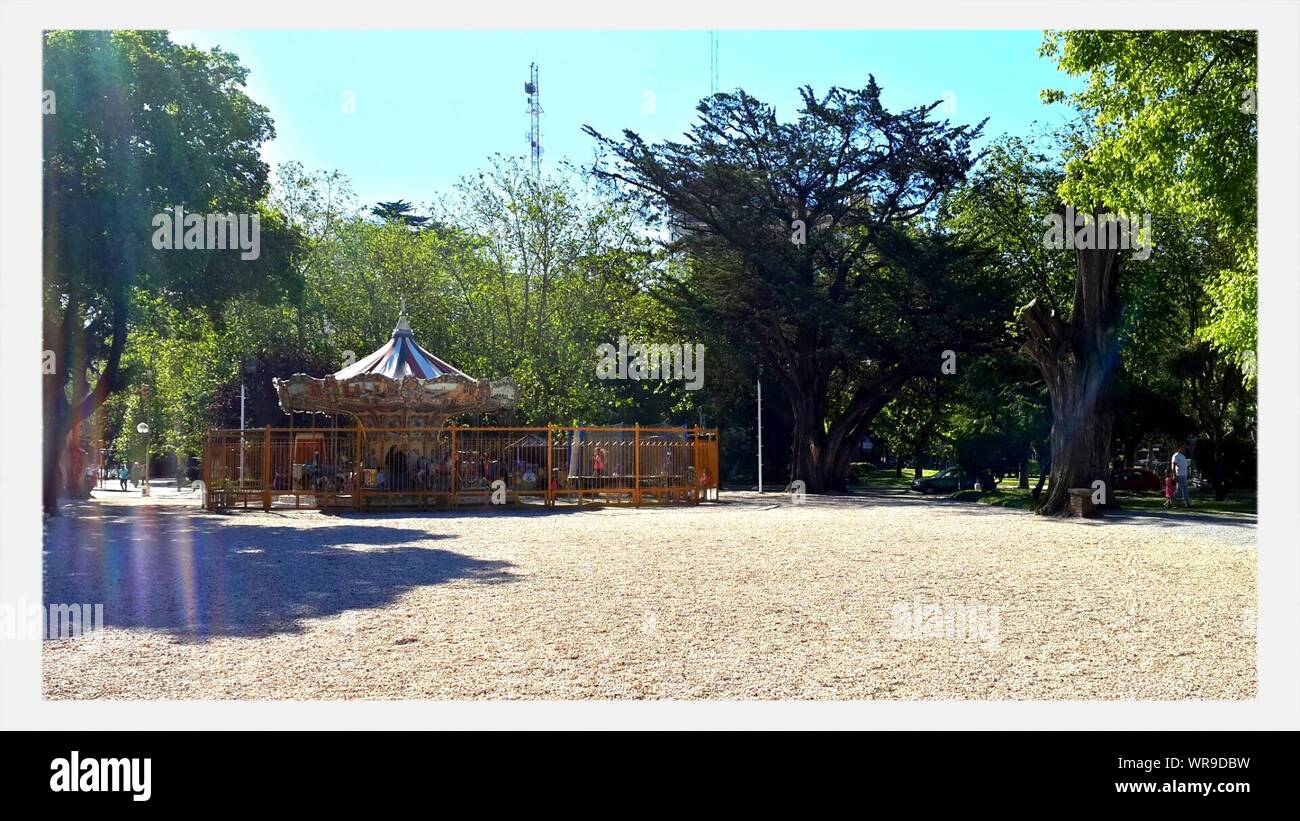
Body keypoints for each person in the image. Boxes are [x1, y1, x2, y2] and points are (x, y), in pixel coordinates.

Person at [1170, 444, 1191, 508]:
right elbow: (1173, 466)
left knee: (1185, 490)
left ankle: (1187, 504)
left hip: (1184, 475)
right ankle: (1170, 500)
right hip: (1179, 475)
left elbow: (1186, 466)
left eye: (1184, 448)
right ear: (1178, 448)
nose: (1184, 449)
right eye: (1182, 448)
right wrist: (1174, 475)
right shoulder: (1176, 455)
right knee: (1179, 491)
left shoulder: (1183, 456)